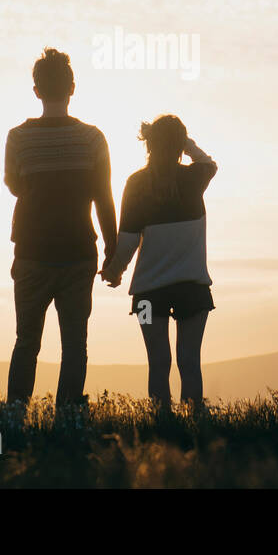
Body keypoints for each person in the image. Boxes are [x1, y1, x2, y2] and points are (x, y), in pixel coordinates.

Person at [4, 48, 116, 407]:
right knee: (74, 345)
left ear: (36, 90)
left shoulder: (18, 138)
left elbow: (15, 186)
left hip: (32, 253)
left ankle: (15, 415)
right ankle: (68, 417)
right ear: (72, 87)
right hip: (78, 252)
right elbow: (104, 198)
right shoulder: (92, 139)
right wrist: (113, 252)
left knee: (26, 342)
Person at [100, 115, 216, 408]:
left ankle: (160, 428)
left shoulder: (137, 184)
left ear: (149, 145)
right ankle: (194, 430)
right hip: (193, 287)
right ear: (179, 144)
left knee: (158, 364)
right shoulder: (193, 178)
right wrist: (187, 144)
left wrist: (114, 271)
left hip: (149, 292)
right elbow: (209, 164)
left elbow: (126, 241)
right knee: (190, 362)